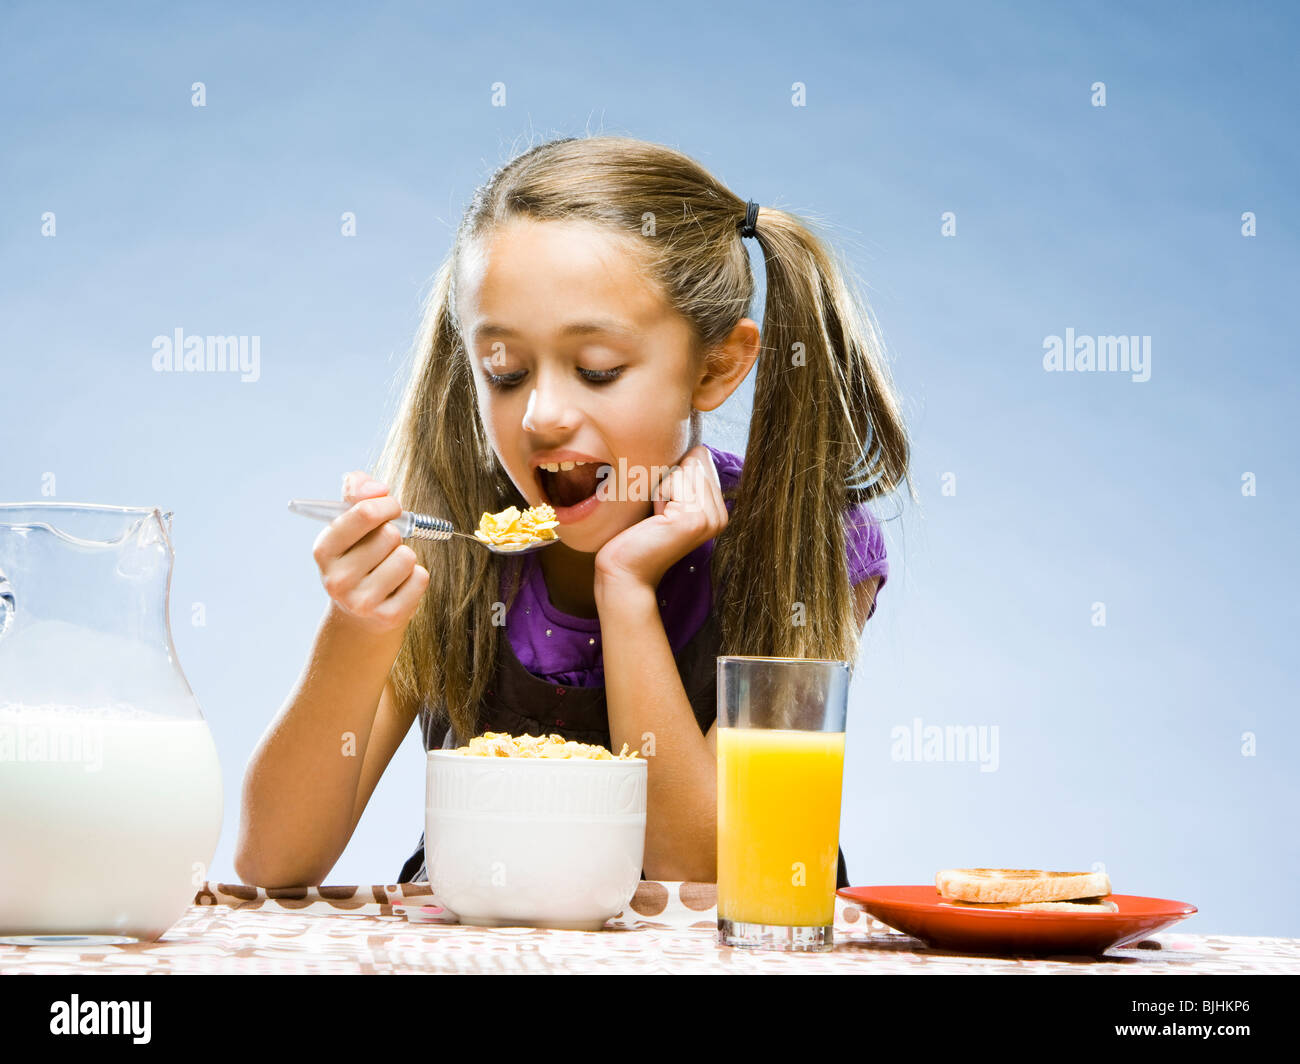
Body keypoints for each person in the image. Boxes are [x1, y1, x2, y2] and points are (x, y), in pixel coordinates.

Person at [235, 135, 912, 892]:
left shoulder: (805, 545)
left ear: (716, 367)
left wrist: (625, 592)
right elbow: (274, 863)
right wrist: (357, 629)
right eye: (507, 373)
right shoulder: (448, 544)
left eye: (597, 371)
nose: (543, 417)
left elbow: (703, 872)